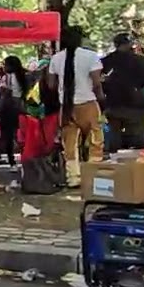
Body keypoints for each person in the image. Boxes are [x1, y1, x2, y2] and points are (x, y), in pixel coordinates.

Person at [45, 26, 104, 188]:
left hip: (67, 106)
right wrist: (101, 98)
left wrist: (64, 88)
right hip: (88, 104)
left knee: (69, 143)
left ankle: (74, 177)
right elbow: (97, 83)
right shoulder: (91, 56)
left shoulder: (56, 59)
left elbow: (50, 84)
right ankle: (93, 174)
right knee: (95, 140)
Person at [101, 33, 144, 151]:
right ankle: (143, 163)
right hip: (134, 103)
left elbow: (101, 80)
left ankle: (114, 162)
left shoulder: (106, 61)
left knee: (114, 135)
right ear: (129, 44)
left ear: (115, 45)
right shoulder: (139, 60)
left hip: (113, 103)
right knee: (139, 136)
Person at [0, 56, 29, 166]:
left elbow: (5, 91)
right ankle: (25, 156)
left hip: (8, 108)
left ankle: (11, 159)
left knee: (7, 134)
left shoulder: (8, 77)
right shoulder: (23, 76)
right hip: (20, 106)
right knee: (21, 133)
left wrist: (1, 89)